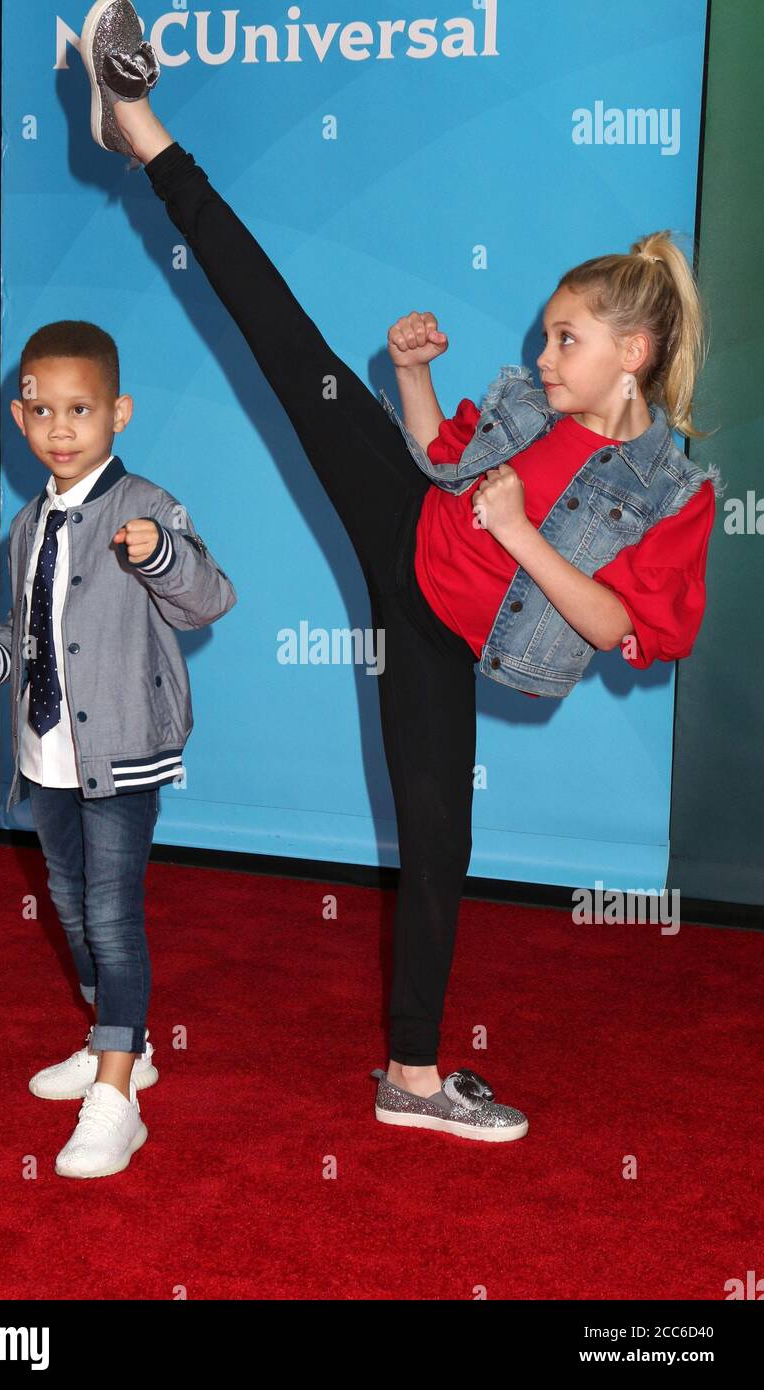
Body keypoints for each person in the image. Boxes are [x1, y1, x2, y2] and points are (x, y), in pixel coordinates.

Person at [78, 0, 719, 1142]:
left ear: (634, 353)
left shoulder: (671, 488)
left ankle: (411, 1080)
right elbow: (442, 458)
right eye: (544, 335)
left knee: (438, 845)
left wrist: (522, 534)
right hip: (401, 517)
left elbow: (633, 633)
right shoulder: (530, 403)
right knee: (280, 331)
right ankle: (137, 121)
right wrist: (413, 377)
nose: (538, 354)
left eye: (564, 338)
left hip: (439, 635)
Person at [0, 319, 236, 1176]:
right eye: (42, 411)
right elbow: (29, 626)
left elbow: (210, 599)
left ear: (119, 412)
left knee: (113, 917)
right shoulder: (25, 524)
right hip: (46, 756)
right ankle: (122, 1038)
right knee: (72, 910)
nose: (62, 428)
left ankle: (118, 1094)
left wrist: (162, 557)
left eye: (81, 409)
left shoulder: (147, 505)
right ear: (20, 416)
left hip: (123, 750)